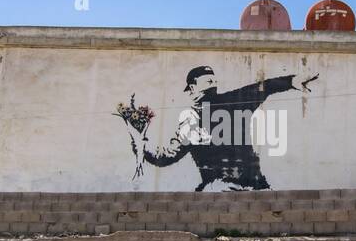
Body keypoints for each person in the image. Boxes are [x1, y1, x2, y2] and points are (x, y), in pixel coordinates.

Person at [136, 65, 318, 191]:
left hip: (218, 189)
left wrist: (141, 144)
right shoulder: (237, 99)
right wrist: (292, 81)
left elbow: (165, 158)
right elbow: (266, 87)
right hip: (256, 186)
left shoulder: (190, 119)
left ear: (193, 88)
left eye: (190, 89)